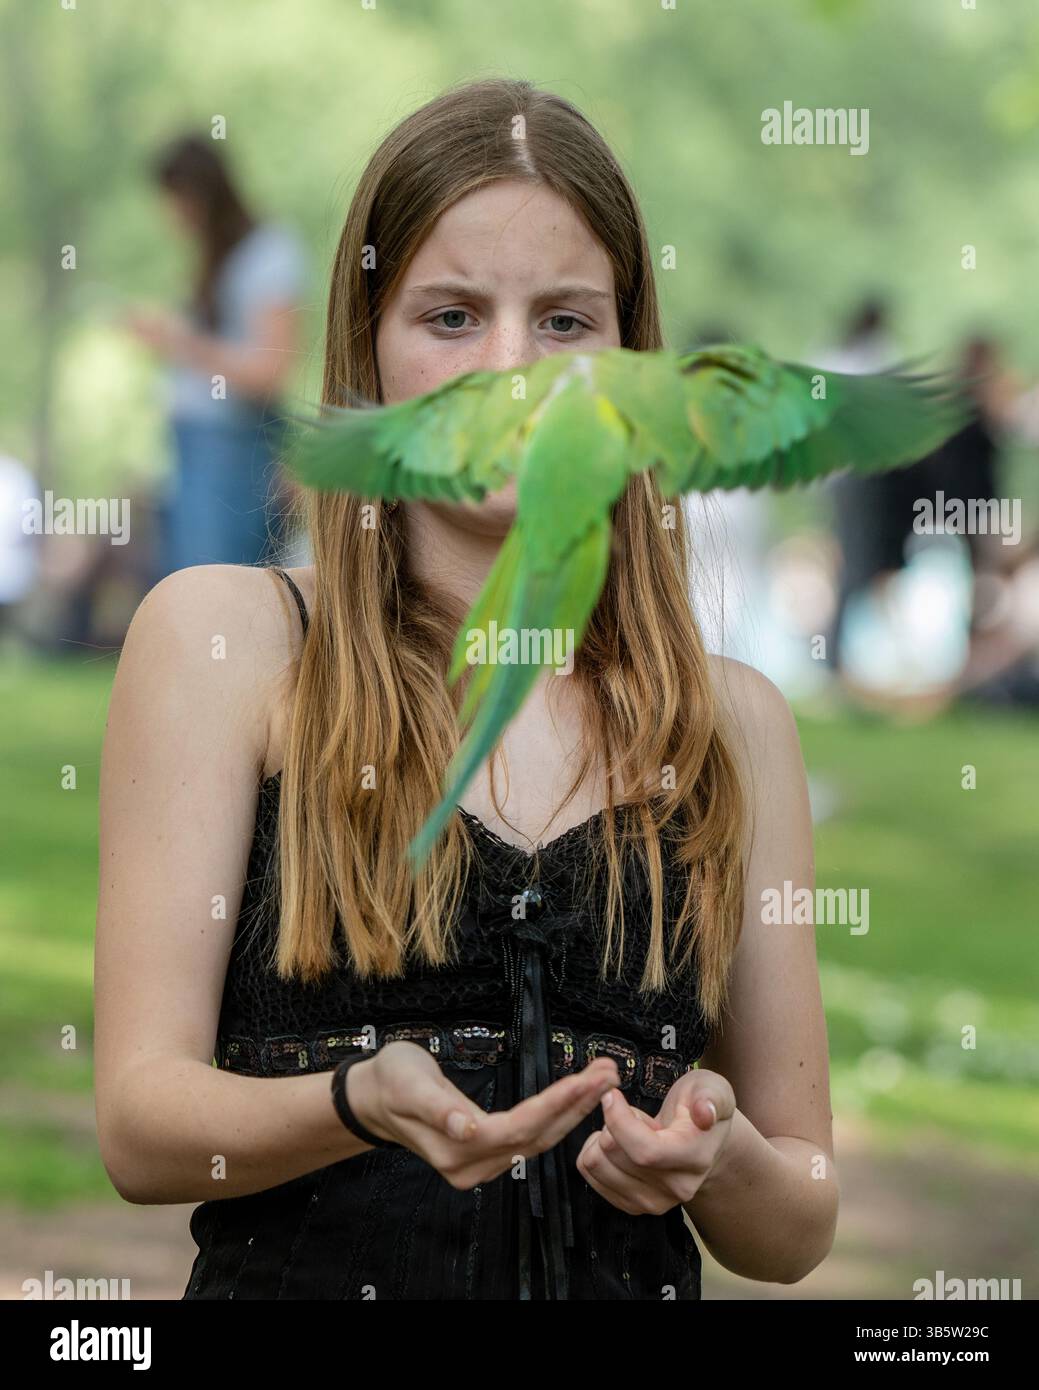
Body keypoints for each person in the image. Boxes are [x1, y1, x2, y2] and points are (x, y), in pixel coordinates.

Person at [94, 78, 837, 1300]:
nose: (510, 368)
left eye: (563, 322)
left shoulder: (732, 724)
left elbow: (799, 1219)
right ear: (369, 353)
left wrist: (724, 1151)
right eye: (449, 316)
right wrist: (356, 1099)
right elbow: (139, 1122)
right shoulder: (224, 642)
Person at [123, 134, 308, 580]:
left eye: (175, 200)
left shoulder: (268, 252)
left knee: (216, 586)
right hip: (192, 443)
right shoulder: (216, 259)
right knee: (189, 589)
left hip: (230, 447)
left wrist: (180, 341)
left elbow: (270, 368)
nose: (171, 216)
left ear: (199, 193)